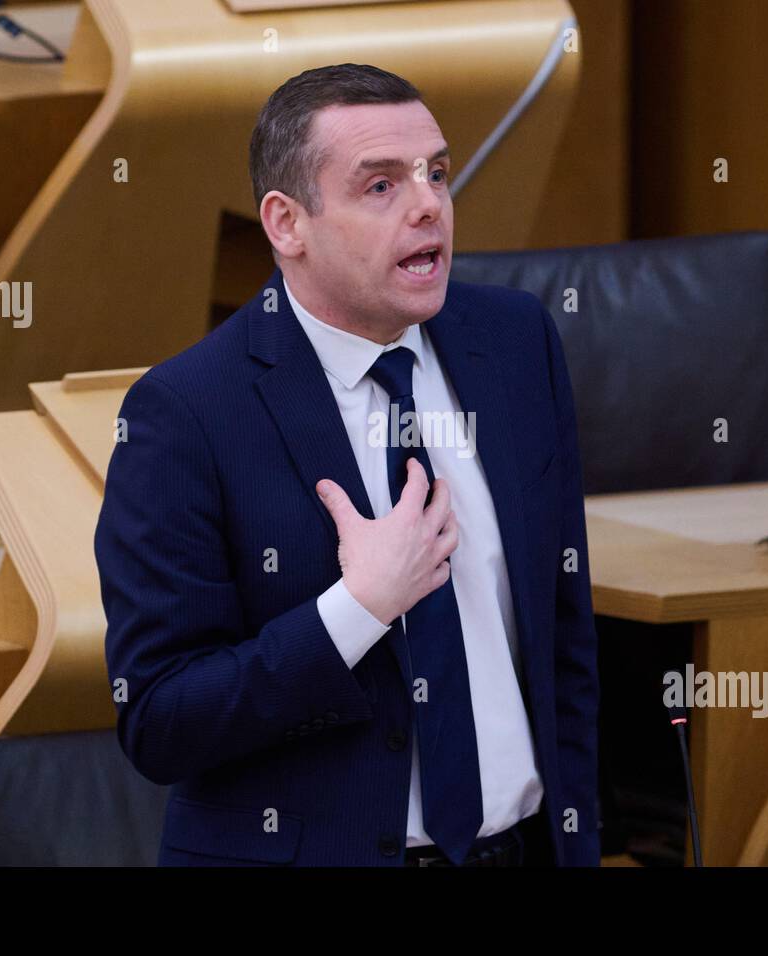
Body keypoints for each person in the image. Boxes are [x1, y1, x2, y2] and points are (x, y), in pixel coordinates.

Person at [95, 63, 599, 867]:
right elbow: (160, 721)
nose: (429, 203)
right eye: (381, 186)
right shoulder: (187, 413)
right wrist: (358, 608)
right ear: (287, 223)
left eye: (436, 172)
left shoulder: (515, 344)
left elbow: (564, 635)